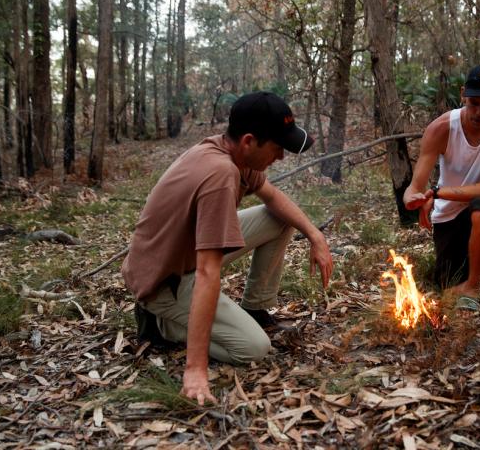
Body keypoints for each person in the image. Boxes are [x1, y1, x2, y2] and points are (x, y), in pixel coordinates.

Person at [122, 92, 334, 406]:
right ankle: (164, 325)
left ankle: (255, 308)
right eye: (277, 148)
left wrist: (316, 236)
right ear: (249, 141)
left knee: (279, 218)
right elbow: (209, 271)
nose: (280, 158)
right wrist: (196, 369)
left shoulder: (230, 151)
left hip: (183, 255)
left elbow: (273, 197)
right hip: (163, 281)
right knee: (253, 348)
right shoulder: (220, 173)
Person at [403, 64, 480, 300]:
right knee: (447, 286)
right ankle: (461, 278)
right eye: (473, 103)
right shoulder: (441, 128)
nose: (479, 112)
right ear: (462, 94)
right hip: (448, 213)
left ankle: (473, 287)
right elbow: (414, 187)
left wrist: (436, 193)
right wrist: (413, 199)